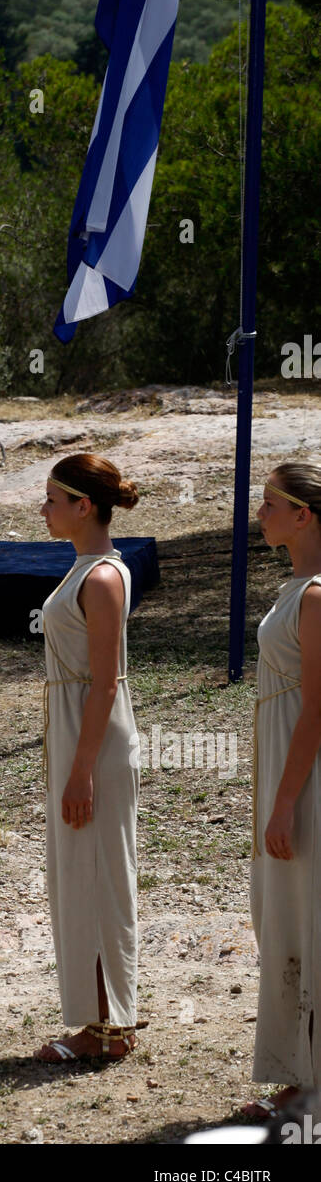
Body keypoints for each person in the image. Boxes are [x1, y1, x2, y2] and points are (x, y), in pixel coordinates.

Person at [33, 453, 141, 1062]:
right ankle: (101, 1019)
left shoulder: (101, 578)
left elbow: (106, 682)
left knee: (98, 874)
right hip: (78, 735)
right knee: (80, 873)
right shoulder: (85, 570)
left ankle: (109, 1028)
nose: (43, 508)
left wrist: (80, 770)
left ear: (83, 506)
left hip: (94, 742)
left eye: (53, 499)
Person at [241, 464, 321, 1118]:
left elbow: (317, 711)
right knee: (278, 912)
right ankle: (299, 1074)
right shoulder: (293, 588)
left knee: (302, 916)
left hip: (305, 782)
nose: (259, 513)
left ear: (305, 516)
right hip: (282, 771)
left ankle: (310, 1086)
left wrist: (288, 801)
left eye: (271, 504)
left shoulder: (317, 597)